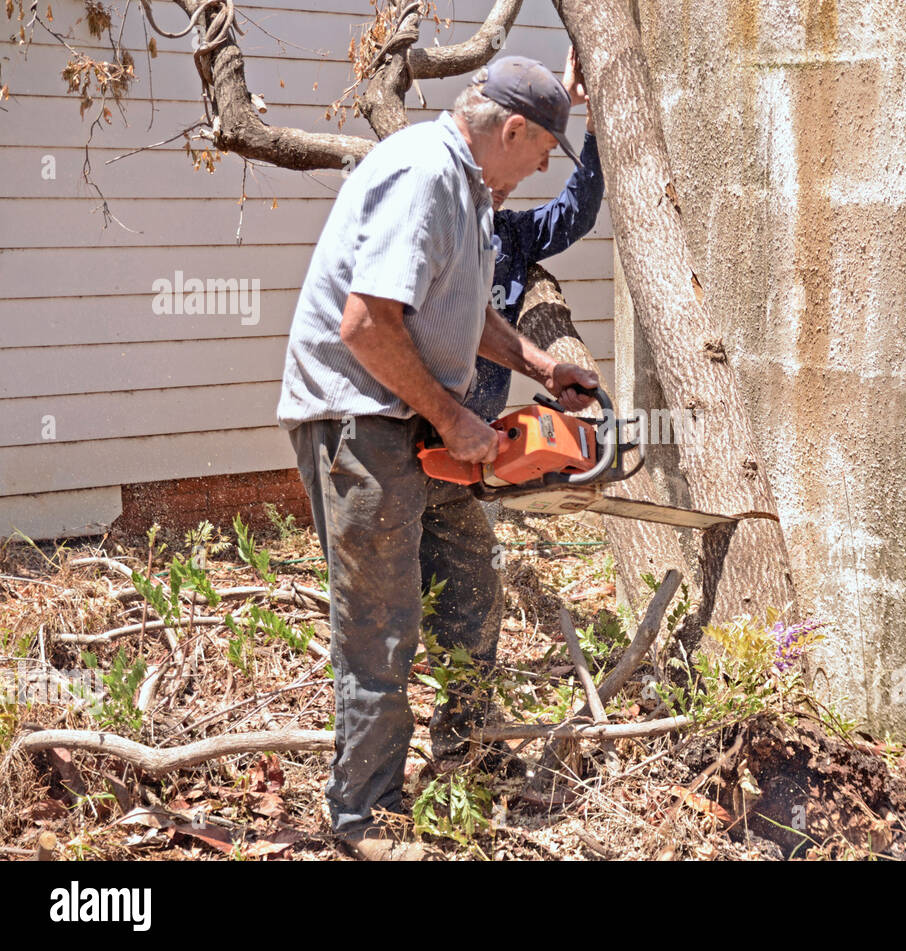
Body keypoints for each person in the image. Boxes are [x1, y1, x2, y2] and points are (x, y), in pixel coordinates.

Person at [276, 56, 599, 861]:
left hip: (415, 417)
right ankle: (365, 816)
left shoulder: (468, 188)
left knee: (469, 587)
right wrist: (456, 418)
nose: (542, 167)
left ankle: (471, 753)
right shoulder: (425, 173)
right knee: (382, 620)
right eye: (543, 151)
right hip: (365, 419)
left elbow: (465, 309)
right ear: (513, 129)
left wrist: (540, 366)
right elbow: (366, 326)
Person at [463, 46, 604, 424]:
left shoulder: (510, 236)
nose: (540, 167)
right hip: (421, 421)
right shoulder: (441, 210)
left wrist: (592, 126)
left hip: (474, 431)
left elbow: (575, 214)